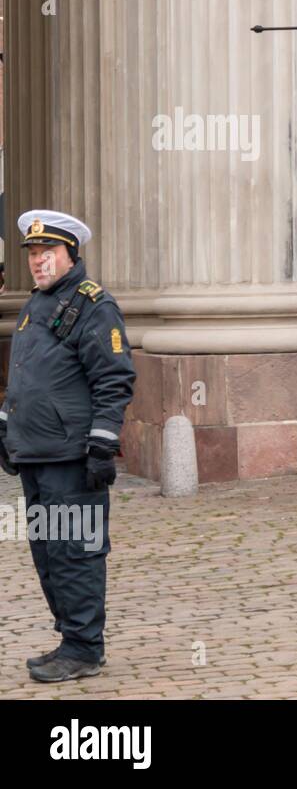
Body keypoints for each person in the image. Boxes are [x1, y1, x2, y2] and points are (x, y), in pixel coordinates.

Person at [1, 210, 136, 682]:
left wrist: (102, 444)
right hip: (37, 454)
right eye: (33, 254)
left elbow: (114, 379)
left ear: (71, 255)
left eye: (48, 253)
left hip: (71, 458)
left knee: (75, 551)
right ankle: (70, 639)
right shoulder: (36, 304)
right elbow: (25, 377)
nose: (38, 262)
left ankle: (84, 647)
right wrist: (7, 428)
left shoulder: (94, 306)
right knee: (48, 552)